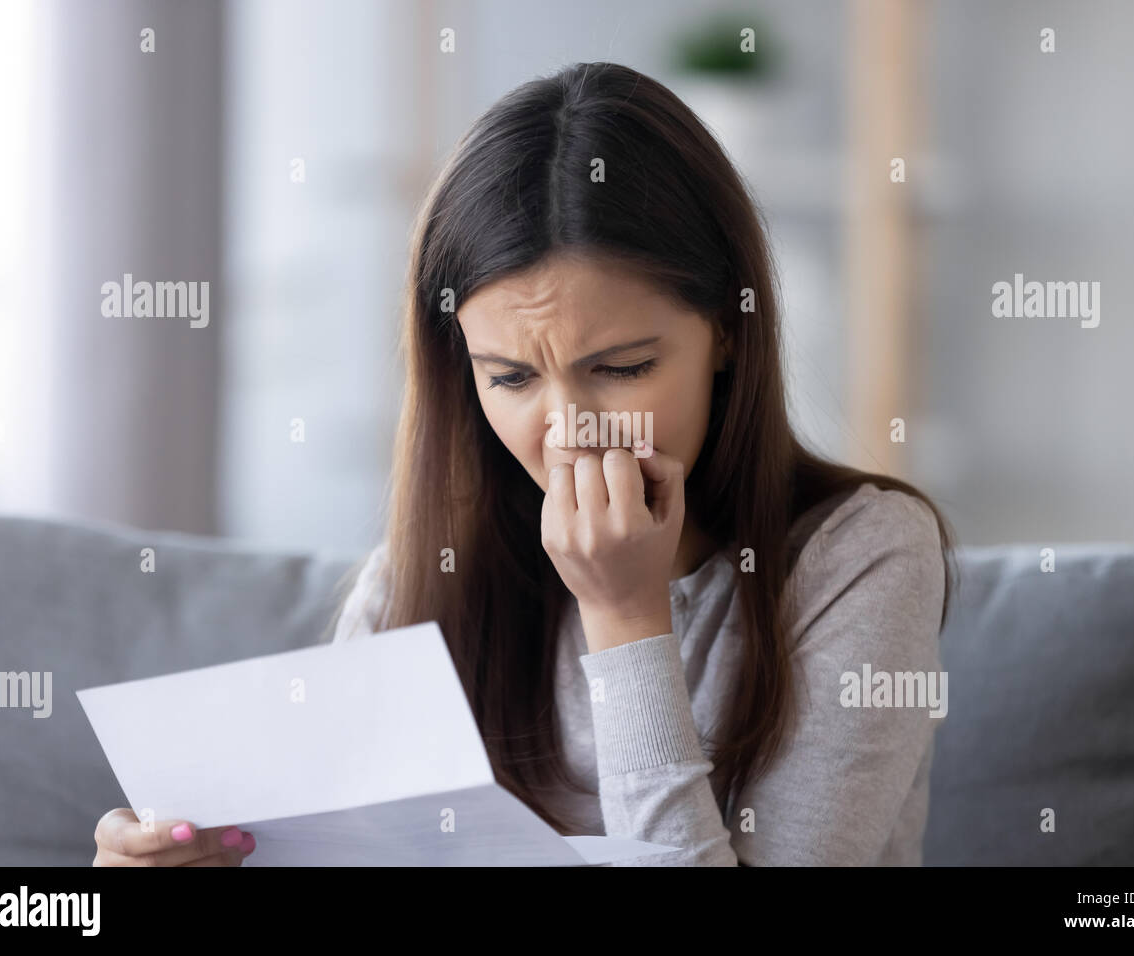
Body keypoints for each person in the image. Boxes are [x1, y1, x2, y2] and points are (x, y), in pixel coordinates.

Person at [93, 60, 956, 867]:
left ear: (728, 329)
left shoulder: (864, 556)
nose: (570, 431)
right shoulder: (426, 567)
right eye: (511, 378)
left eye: (621, 368)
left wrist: (623, 613)